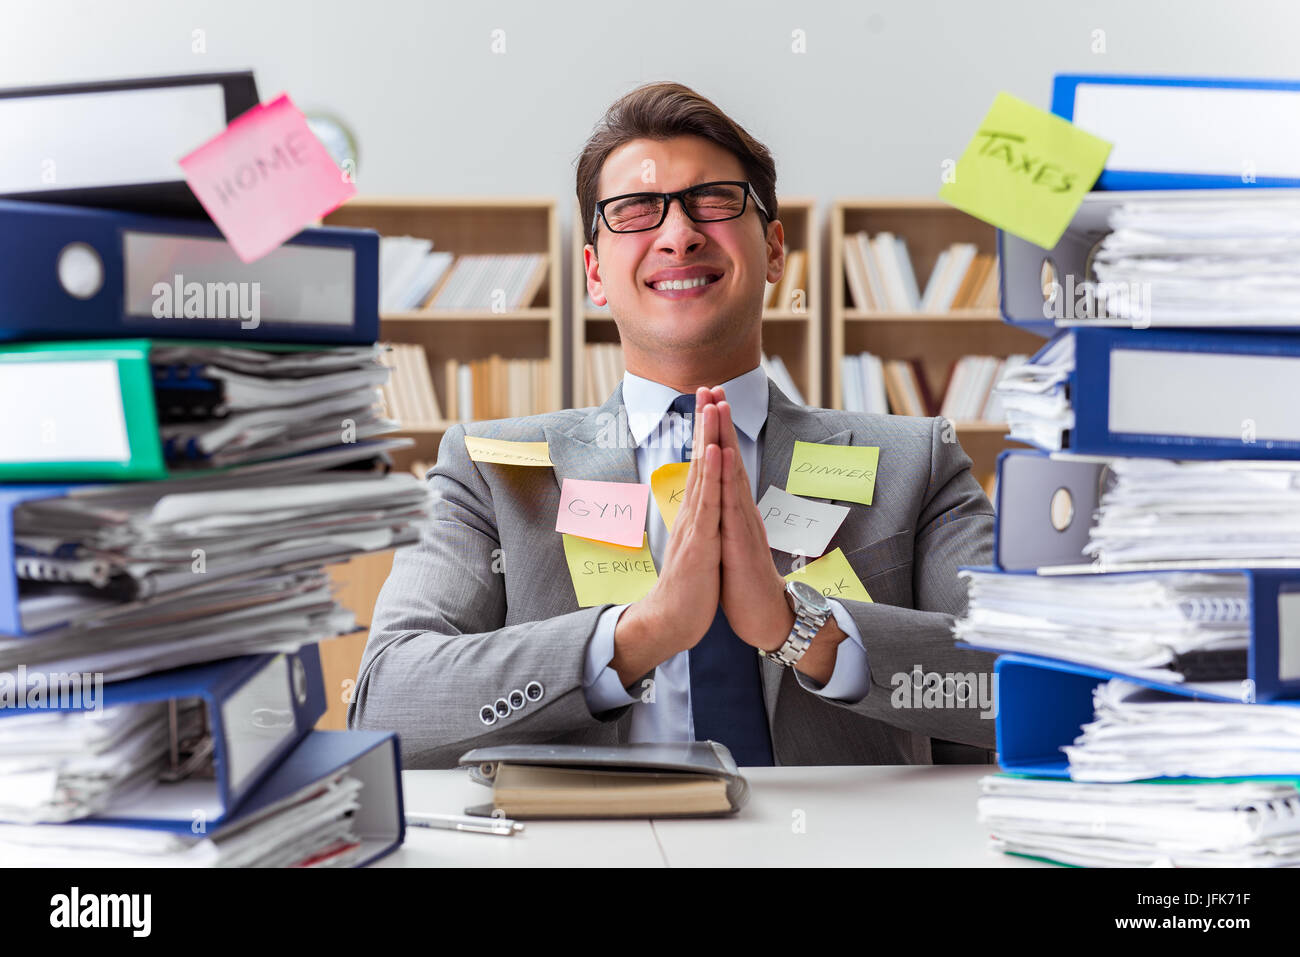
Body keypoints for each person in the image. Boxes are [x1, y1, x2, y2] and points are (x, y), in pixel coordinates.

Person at [349, 81, 998, 768]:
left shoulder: (916, 461)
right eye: (635, 211)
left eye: (713, 202)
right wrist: (637, 635)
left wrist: (796, 627)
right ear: (595, 273)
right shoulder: (493, 469)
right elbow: (391, 702)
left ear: (775, 251)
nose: (679, 234)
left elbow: (1034, 688)